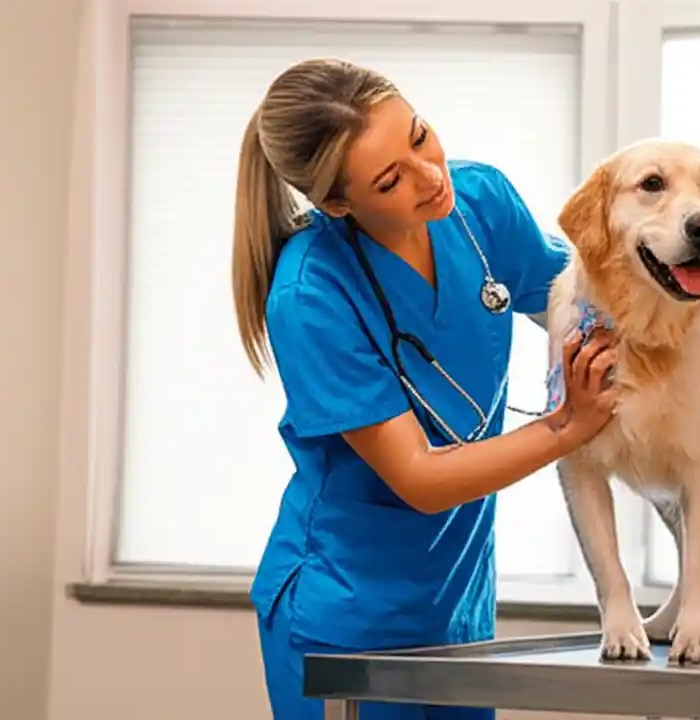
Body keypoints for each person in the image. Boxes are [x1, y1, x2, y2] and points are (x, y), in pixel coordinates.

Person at [230, 58, 620, 720]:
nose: (430, 174)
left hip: (456, 607)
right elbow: (419, 478)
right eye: (390, 179)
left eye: (419, 136)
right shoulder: (312, 295)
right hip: (346, 616)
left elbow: (591, 299)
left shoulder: (481, 208)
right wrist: (566, 427)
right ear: (337, 204)